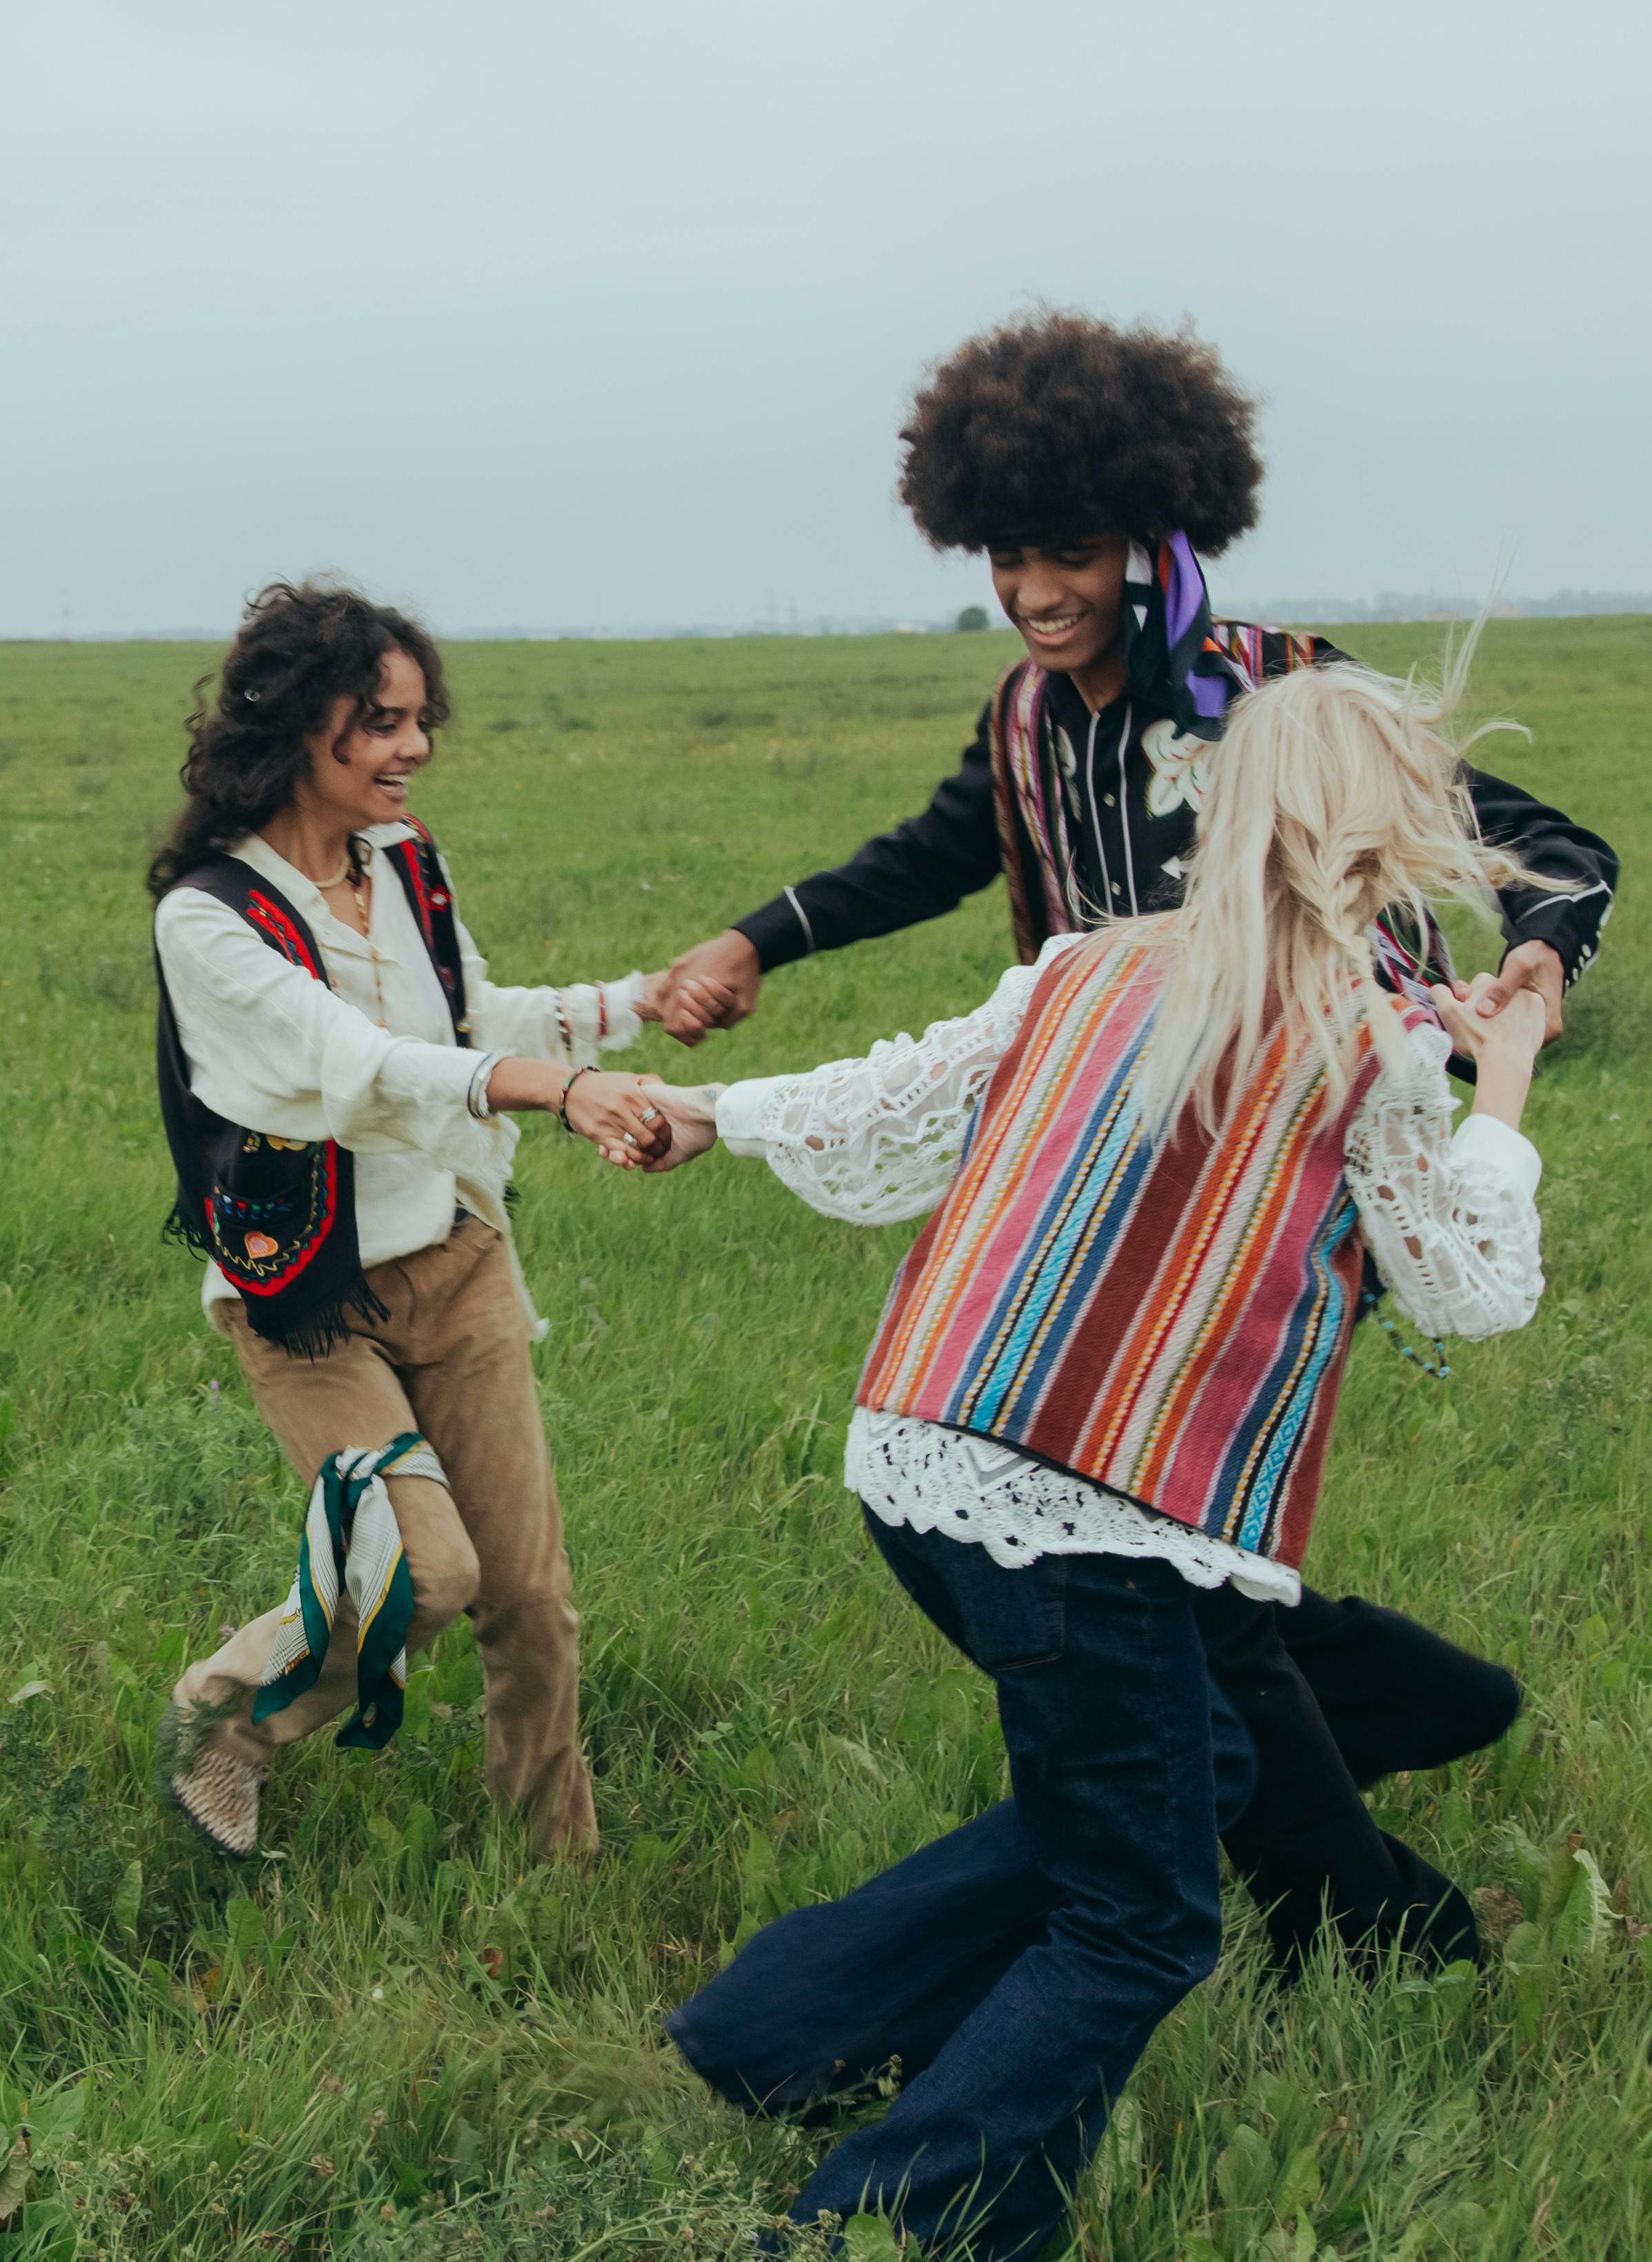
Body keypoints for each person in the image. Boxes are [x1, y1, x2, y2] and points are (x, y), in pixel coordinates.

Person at [656, 310, 1617, 1970]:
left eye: (1071, 554)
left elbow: (1541, 842)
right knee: (1170, 1553)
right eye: (1008, 556)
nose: (1037, 590)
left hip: (1287, 1171)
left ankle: (1351, 1898)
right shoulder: (1024, 722)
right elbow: (939, 851)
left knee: (1175, 1538)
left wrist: (1535, 956)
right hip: (1091, 1176)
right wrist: (758, 939)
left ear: (1153, 537)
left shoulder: (1282, 692)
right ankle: (1375, 1823)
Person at [643, 650, 1549, 2259]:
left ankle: (770, 2035)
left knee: (1180, 1776)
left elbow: (889, 1098)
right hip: (1097, 1515)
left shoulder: (1082, 964)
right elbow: (1473, 1286)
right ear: (1380, 838)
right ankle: (889, 2227)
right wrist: (1511, 1074)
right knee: (1136, 1919)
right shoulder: (1378, 1047)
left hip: (920, 1453)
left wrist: (713, 1113)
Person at [152, 580, 676, 1860]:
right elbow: (368, 1062)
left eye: (419, 717)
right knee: (423, 1575)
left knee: (533, 1598)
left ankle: (549, 1863)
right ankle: (227, 1721)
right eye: (381, 723)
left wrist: (639, 1002)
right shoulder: (208, 918)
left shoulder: (405, 862)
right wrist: (562, 1091)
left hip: (457, 1259)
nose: (415, 747)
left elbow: (462, 1018)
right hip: (310, 1299)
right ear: (295, 730)